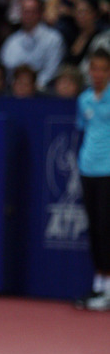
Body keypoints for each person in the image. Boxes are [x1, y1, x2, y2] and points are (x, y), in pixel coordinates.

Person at [75, 48, 110, 310]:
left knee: (106, 228)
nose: (97, 74)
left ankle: (107, 289)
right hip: (87, 169)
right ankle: (99, 285)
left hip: (108, 172)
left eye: (103, 69)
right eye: (94, 68)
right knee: (95, 229)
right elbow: (85, 130)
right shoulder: (84, 99)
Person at [0, 0, 66, 90]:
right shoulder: (11, 41)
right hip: (14, 92)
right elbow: (7, 69)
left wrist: (33, 87)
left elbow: (52, 70)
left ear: (40, 13)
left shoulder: (53, 39)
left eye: (32, 12)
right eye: (25, 11)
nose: (28, 16)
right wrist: (19, 86)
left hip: (44, 92)